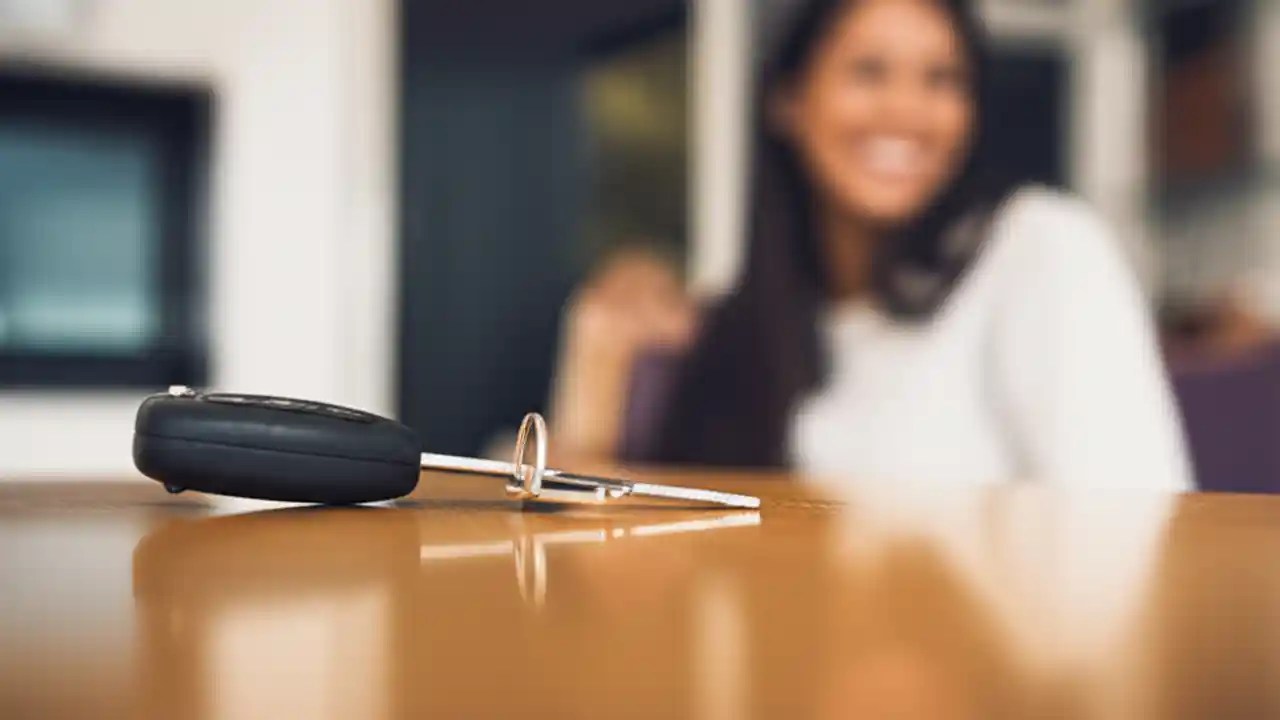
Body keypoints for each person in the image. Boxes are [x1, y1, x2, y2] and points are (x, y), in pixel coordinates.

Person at [551, 0, 1191, 490]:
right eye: (869, 71)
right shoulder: (755, 330)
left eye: (942, 80)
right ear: (789, 100)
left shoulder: (1043, 249)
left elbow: (1138, 523)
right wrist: (595, 363)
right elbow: (614, 567)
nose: (907, 112)